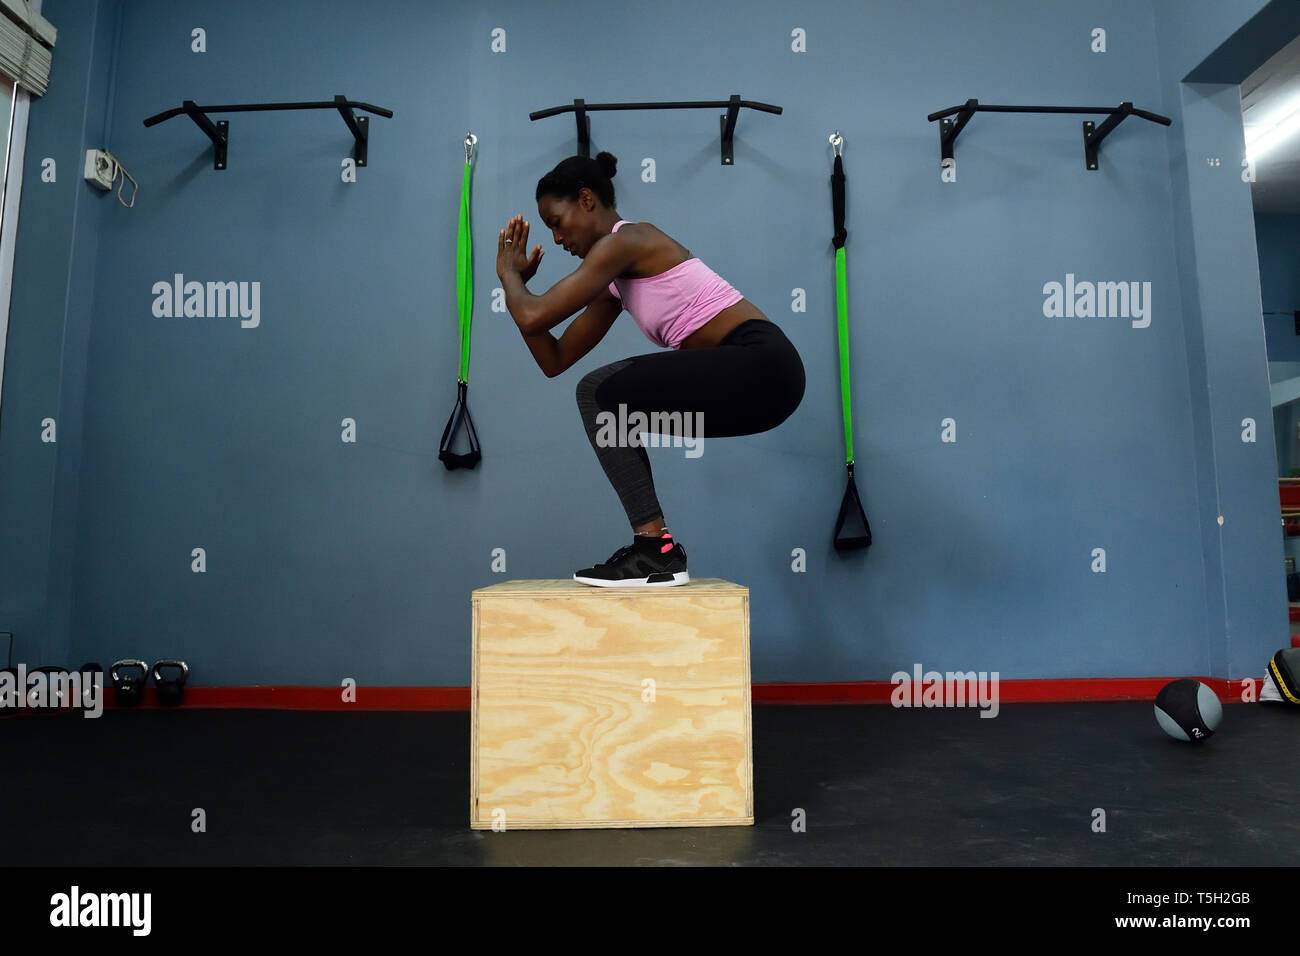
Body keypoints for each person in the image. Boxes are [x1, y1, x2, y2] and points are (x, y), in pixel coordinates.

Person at [496, 151, 805, 587]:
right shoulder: (614, 284)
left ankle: (651, 549)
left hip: (764, 365)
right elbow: (554, 358)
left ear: (586, 200)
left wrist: (509, 276)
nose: (558, 237)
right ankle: (657, 550)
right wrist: (518, 288)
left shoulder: (627, 242)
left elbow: (533, 316)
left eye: (557, 221)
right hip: (766, 395)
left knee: (600, 392)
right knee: (610, 408)